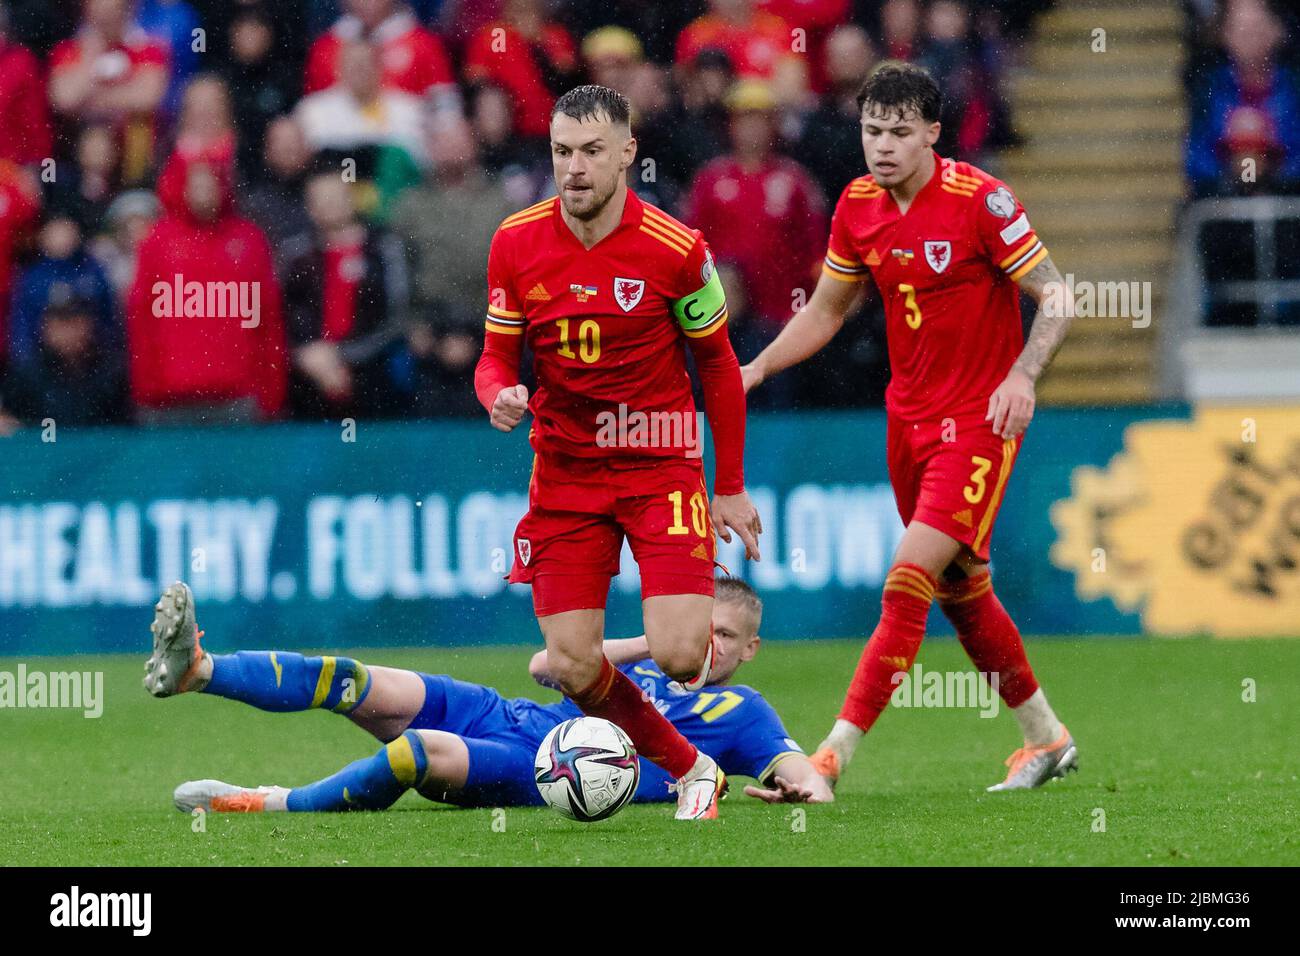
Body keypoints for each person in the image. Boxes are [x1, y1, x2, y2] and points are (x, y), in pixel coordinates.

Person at [741, 61, 1079, 792]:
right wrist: (757, 368)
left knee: (907, 579)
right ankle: (1047, 738)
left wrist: (1023, 375)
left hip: (980, 422)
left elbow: (1057, 294)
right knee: (961, 591)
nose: (883, 145)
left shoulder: (981, 200)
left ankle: (827, 760)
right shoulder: (858, 205)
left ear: (932, 133)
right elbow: (828, 310)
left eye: (899, 132)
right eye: (872, 131)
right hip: (908, 424)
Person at [473, 85, 762, 820]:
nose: (574, 167)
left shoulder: (676, 249)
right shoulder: (515, 242)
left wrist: (727, 485)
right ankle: (693, 767)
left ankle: (688, 735)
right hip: (565, 472)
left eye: (592, 151)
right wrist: (498, 393)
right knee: (570, 662)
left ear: (628, 153)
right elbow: (492, 360)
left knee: (676, 653)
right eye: (562, 151)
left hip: (658, 462)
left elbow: (721, 367)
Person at [145, 578, 831, 813]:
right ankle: (200, 670)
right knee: (352, 678)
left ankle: (267, 802)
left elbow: (808, 780)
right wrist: (656, 640)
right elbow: (545, 665)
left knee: (419, 752)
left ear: (750, 650)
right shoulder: (641, 660)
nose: (711, 642)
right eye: (702, 626)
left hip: (543, 772)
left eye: (728, 636)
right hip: (507, 715)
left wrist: (802, 792)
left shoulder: (744, 715)